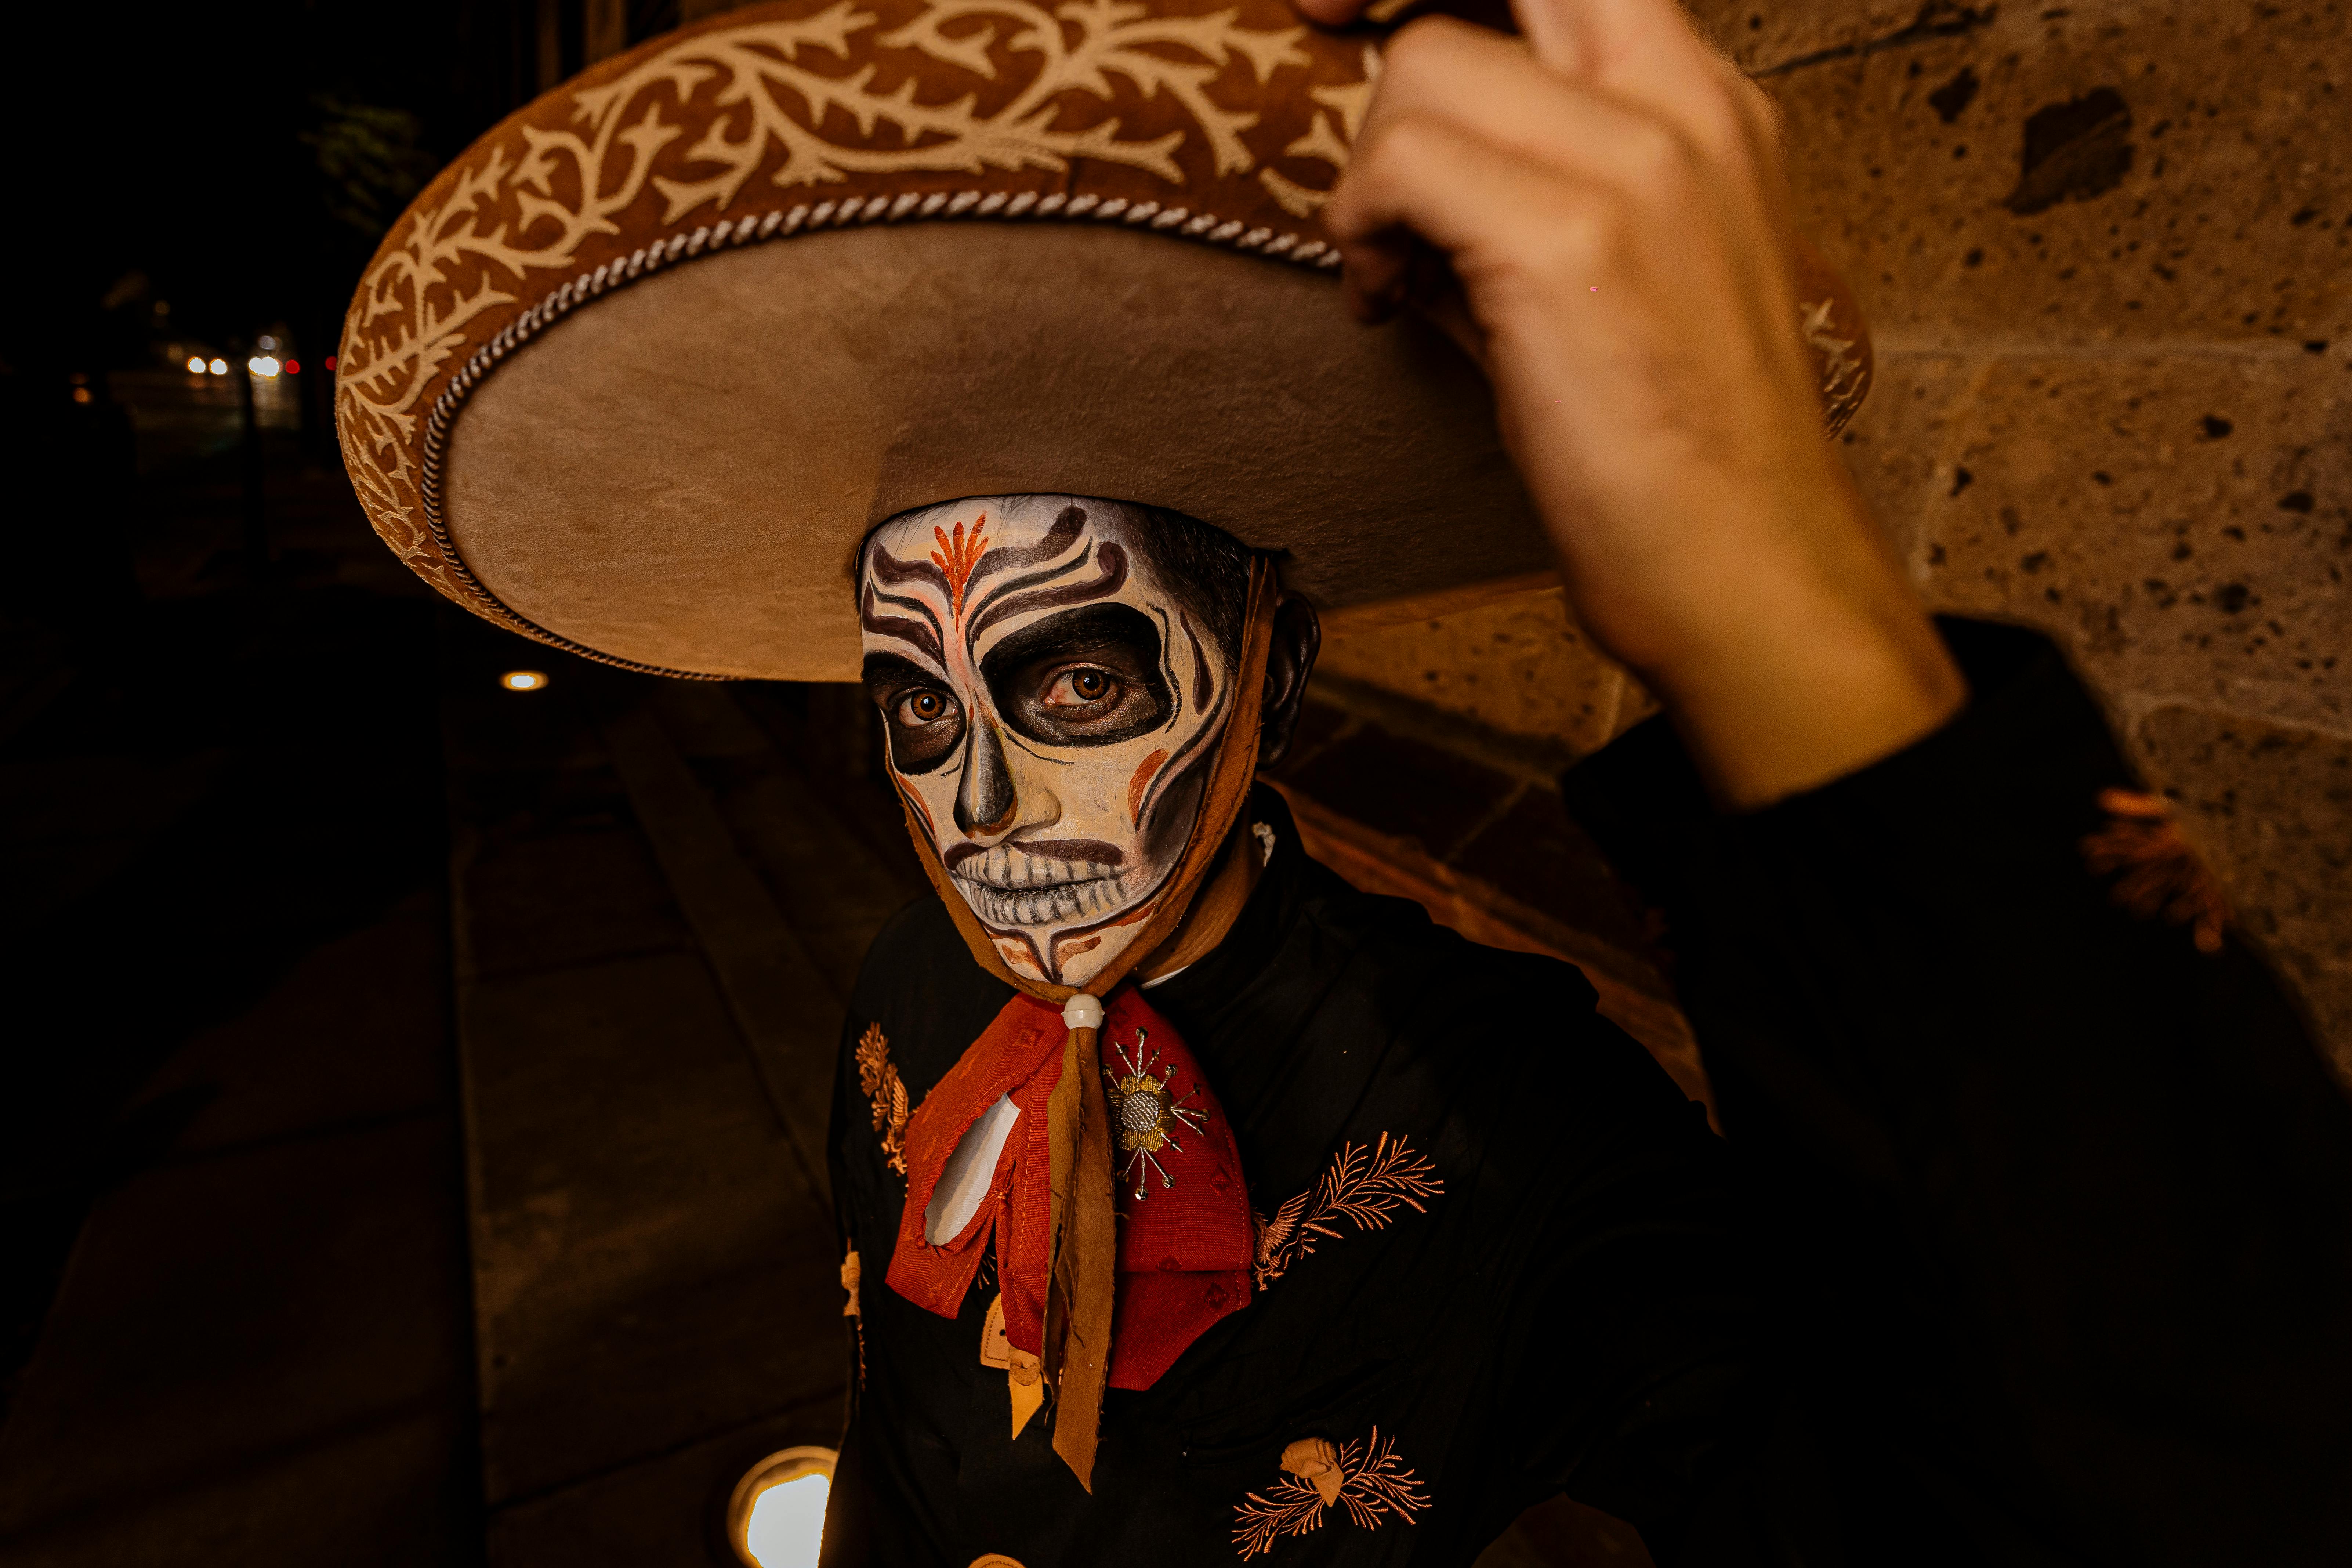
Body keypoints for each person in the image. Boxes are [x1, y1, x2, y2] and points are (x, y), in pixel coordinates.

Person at [333, 0, 2351, 1561]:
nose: (979, 806)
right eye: (917, 707)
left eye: (1081, 674)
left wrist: (1767, 609)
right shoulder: (899, 995)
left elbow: (2151, 1487)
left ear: (1276, 671)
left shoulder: (1507, 1104)